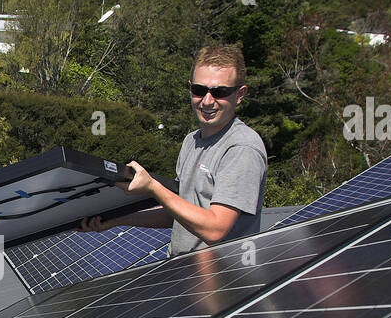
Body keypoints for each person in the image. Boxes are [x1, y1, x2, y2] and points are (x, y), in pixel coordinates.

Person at [80, 44, 267, 254]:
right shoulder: (192, 141)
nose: (207, 101)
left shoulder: (241, 148)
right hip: (183, 272)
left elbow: (216, 229)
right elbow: (175, 214)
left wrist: (153, 187)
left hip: (220, 280)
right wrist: (116, 220)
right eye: (199, 90)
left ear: (240, 94)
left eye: (219, 92)